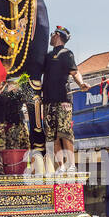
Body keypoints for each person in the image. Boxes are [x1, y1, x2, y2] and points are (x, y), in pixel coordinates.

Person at [41, 26, 85, 171]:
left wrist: (81, 83)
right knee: (51, 135)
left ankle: (72, 165)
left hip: (63, 99)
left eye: (53, 34)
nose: (51, 36)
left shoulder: (67, 53)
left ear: (58, 36)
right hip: (48, 100)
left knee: (65, 132)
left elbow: (75, 71)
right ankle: (61, 166)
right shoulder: (47, 56)